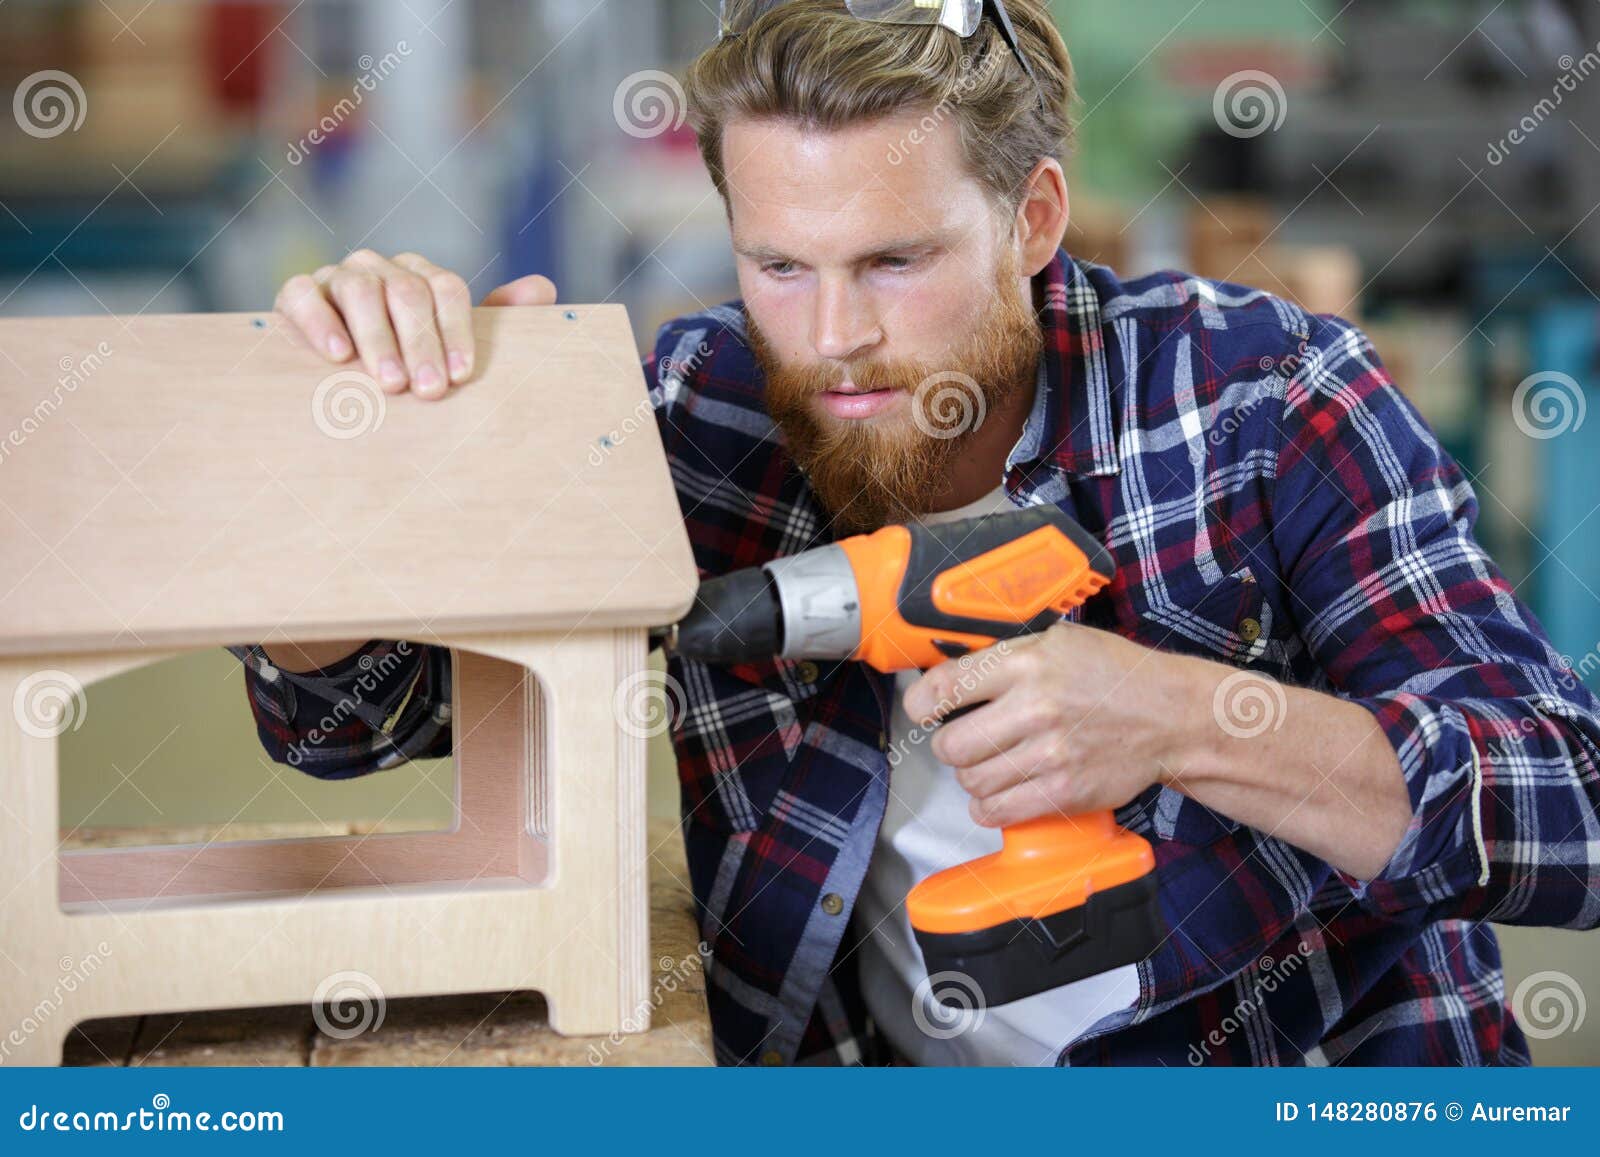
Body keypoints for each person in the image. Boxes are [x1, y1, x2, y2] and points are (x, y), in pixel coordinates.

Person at [231, 0, 1600, 1065]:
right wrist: (374, 453)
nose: (835, 340)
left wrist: (1192, 719)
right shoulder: (695, 420)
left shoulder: (1265, 399)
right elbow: (346, 725)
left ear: (1033, 219)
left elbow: (1572, 807)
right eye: (780, 265)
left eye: (896, 261)